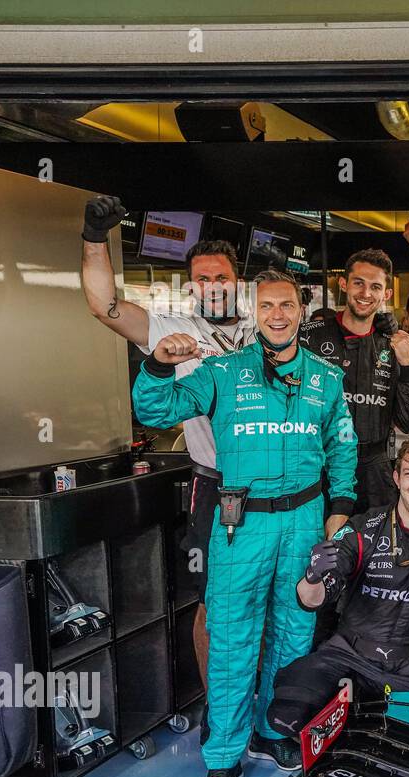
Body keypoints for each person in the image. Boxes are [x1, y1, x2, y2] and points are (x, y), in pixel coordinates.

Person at [132, 269, 357, 777]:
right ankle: (222, 760)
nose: (277, 315)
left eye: (286, 305)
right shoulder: (222, 371)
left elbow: (342, 449)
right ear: (254, 313)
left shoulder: (326, 378)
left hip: (304, 520)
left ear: (301, 311)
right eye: (267, 306)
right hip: (240, 523)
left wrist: (338, 515)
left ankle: (272, 728)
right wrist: (160, 364)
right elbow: (155, 409)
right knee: (233, 639)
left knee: (293, 634)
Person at [80, 197, 256, 693]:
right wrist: (95, 238)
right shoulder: (171, 328)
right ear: (191, 285)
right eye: (201, 278)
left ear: (236, 281)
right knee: (214, 602)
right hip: (217, 486)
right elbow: (104, 306)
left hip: (276, 484)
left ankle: (268, 707)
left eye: (220, 277)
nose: (212, 286)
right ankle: (219, 711)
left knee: (274, 598)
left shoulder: (266, 328)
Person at [269, 434, 409, 738]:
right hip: (348, 655)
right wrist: (312, 577)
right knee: (285, 716)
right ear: (396, 478)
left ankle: (368, 714)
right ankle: (358, 710)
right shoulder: (363, 527)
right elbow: (312, 600)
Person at [299, 249, 409, 511]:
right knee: (318, 550)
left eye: (375, 287)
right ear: (344, 284)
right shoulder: (310, 338)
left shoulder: (392, 344)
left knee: (376, 551)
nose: (366, 293)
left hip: (374, 471)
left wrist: (408, 365)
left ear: (386, 294)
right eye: (358, 283)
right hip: (318, 465)